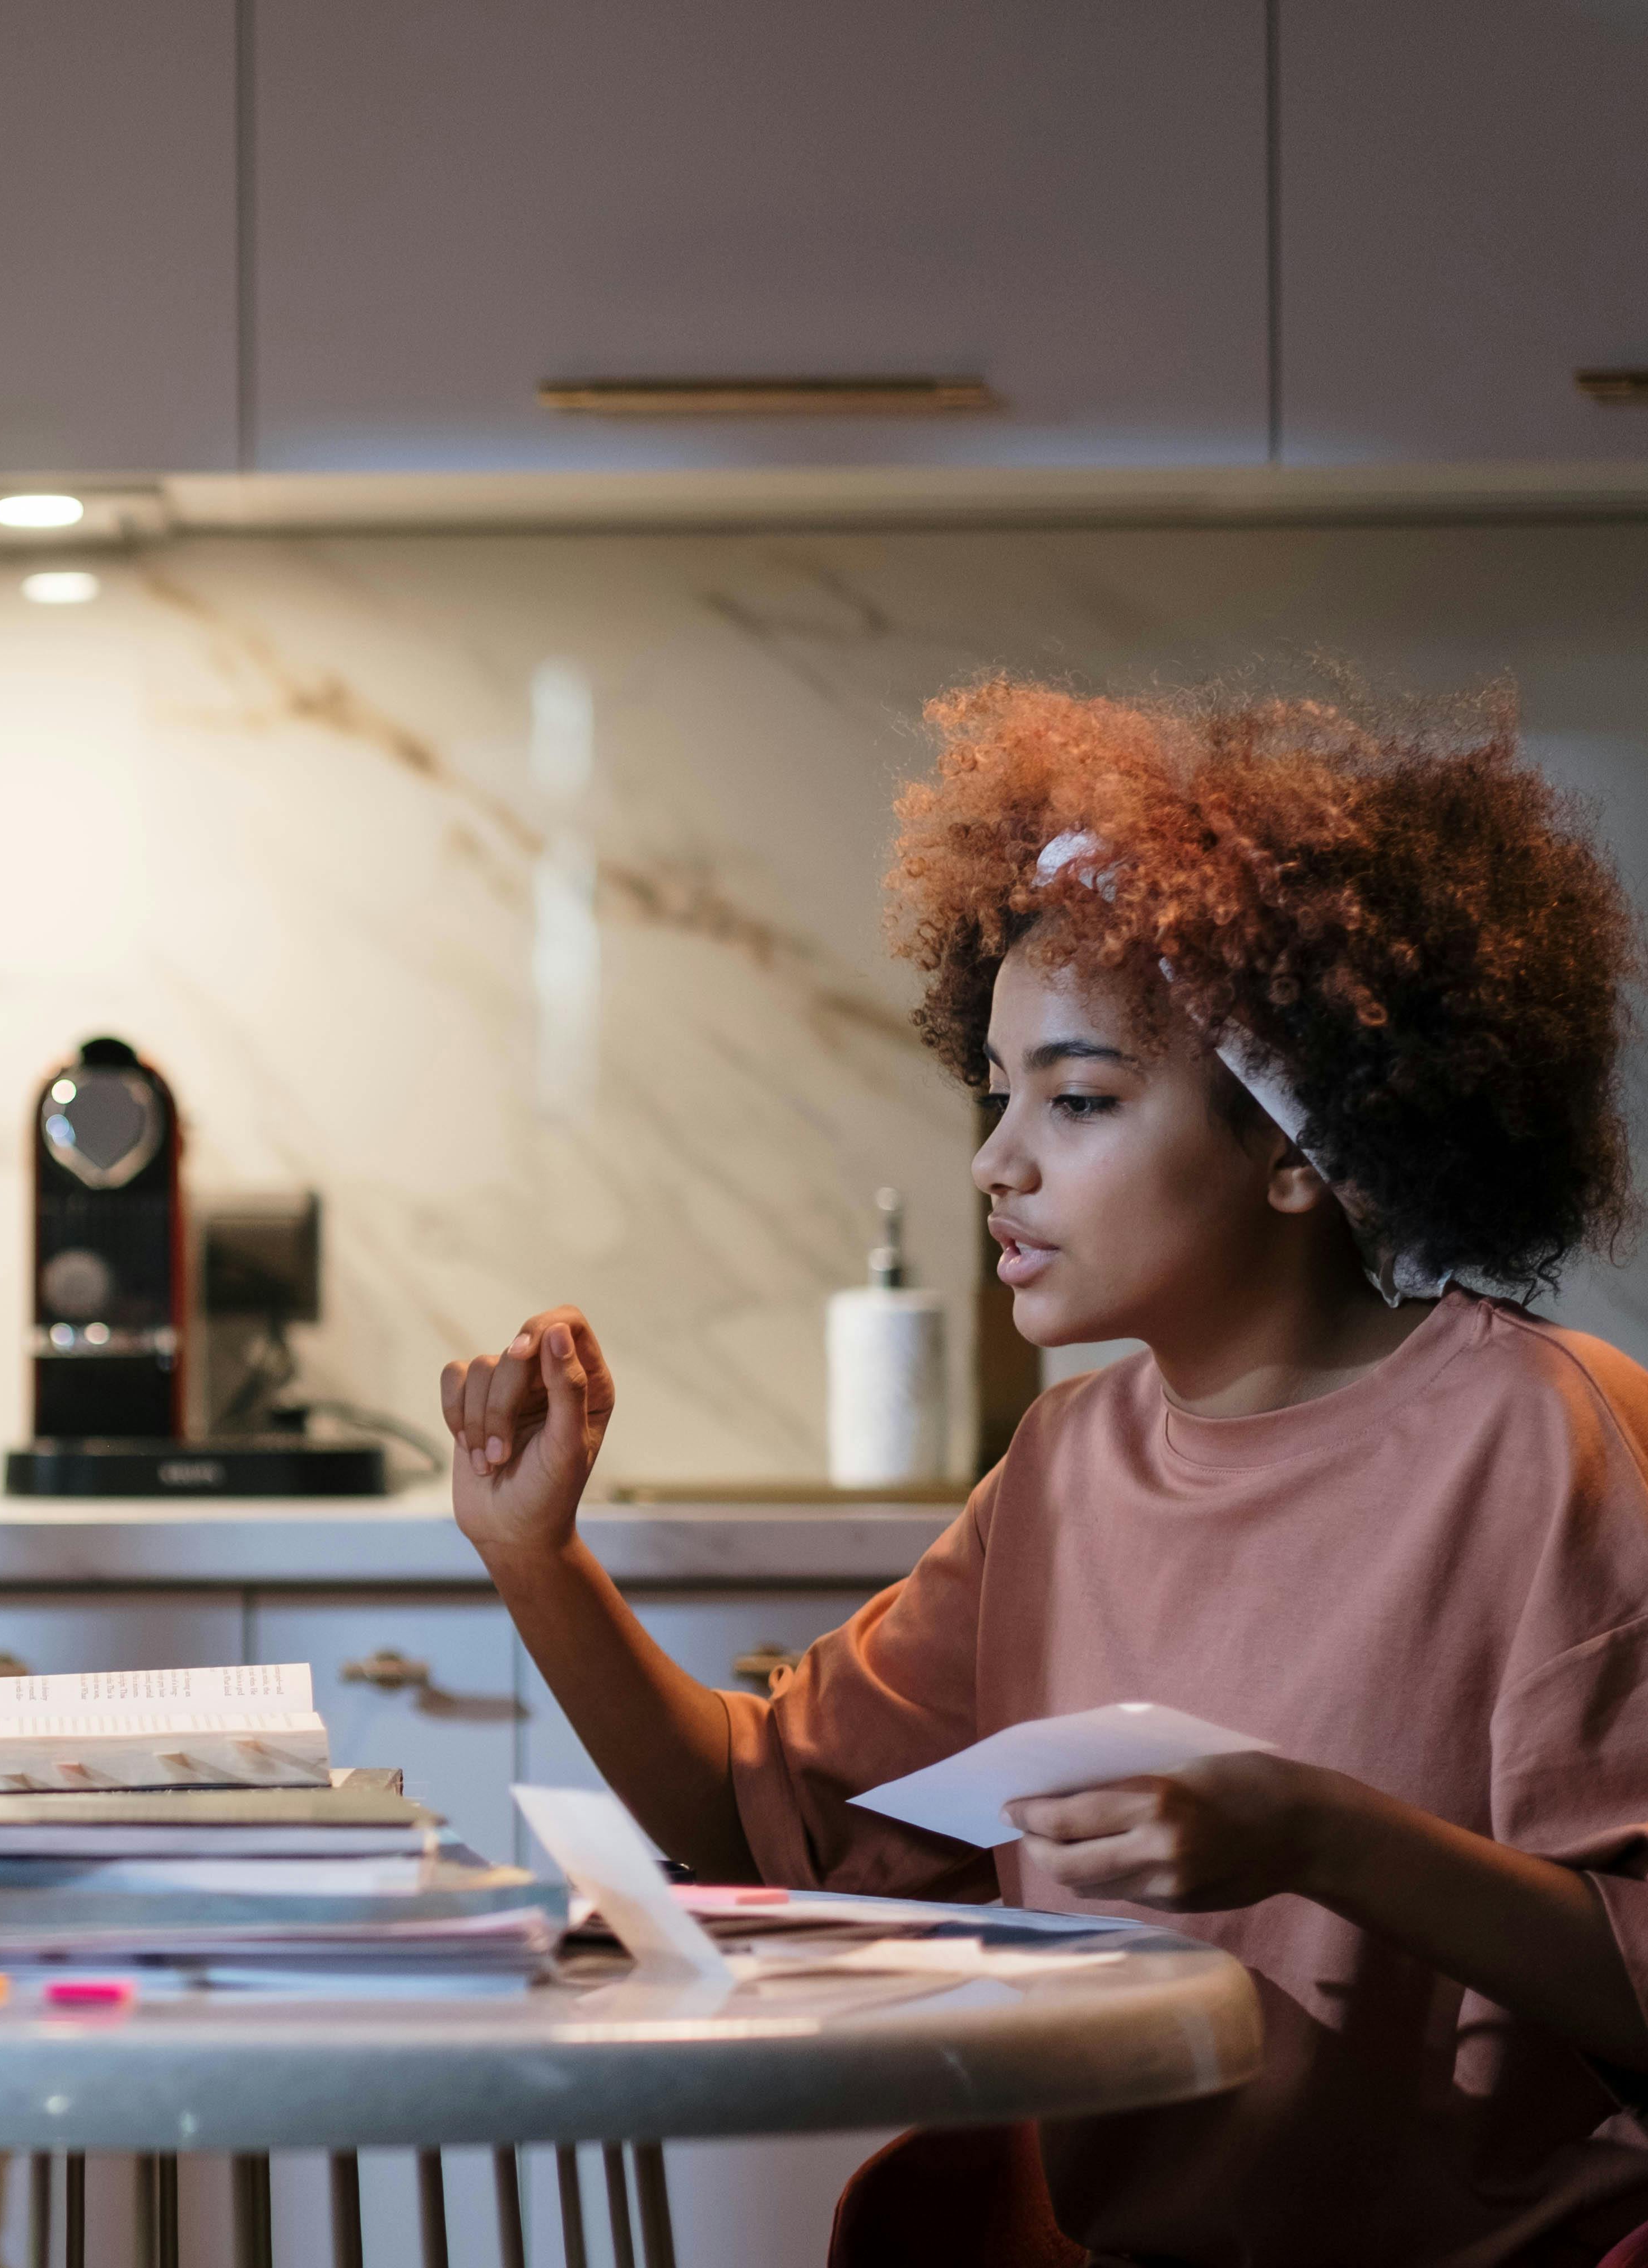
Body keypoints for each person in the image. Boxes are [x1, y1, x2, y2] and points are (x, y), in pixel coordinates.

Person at [446, 680, 1648, 2262]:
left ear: (1305, 1151)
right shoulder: (1069, 1460)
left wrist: (1317, 1835)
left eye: (1076, 1099)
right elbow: (772, 1817)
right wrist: (538, 1559)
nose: (995, 1160)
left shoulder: (1549, 1435)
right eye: (998, 1091)